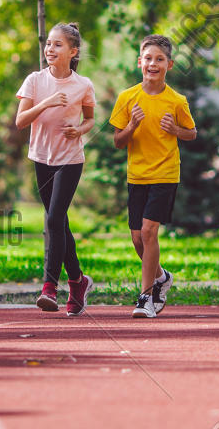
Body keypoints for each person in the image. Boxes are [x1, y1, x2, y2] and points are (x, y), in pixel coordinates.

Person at [109, 34, 197, 319]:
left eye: (160, 59)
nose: (153, 64)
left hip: (165, 173)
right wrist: (132, 125)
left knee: (149, 232)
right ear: (140, 62)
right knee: (138, 238)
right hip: (137, 176)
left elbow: (192, 133)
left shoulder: (177, 101)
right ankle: (161, 277)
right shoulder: (127, 98)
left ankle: (145, 297)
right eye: (148, 58)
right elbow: (118, 141)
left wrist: (175, 130)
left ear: (169, 65)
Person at [15, 22, 98, 316]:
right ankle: (78, 281)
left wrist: (80, 130)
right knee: (58, 223)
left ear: (73, 51)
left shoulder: (83, 85)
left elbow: (90, 119)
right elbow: (21, 121)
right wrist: (47, 103)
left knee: (54, 219)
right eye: (48, 43)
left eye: (57, 44)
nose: (50, 49)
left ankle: (49, 287)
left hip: (70, 159)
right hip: (41, 158)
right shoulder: (35, 81)